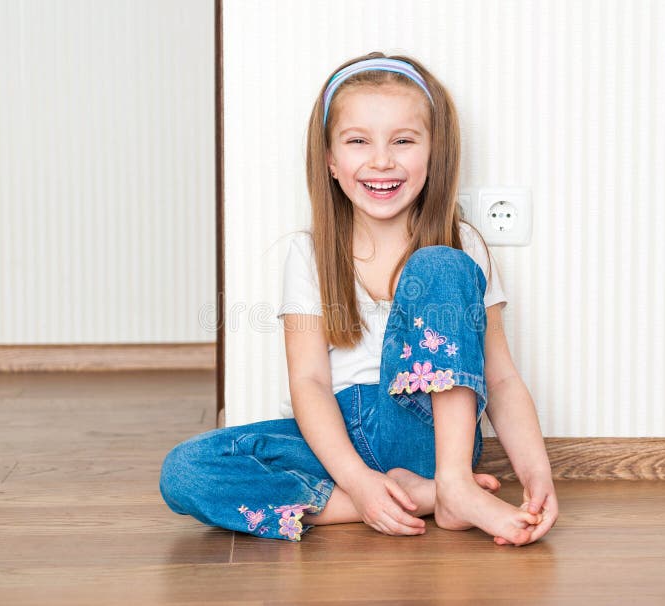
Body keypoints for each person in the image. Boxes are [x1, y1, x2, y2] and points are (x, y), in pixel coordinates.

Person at [159, 52, 559, 546]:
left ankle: (451, 481)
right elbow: (308, 382)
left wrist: (538, 472)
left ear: (434, 153)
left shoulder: (462, 246)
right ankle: (418, 498)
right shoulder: (308, 253)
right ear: (330, 160)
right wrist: (355, 479)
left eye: (404, 141)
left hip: (429, 429)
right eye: (358, 142)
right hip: (336, 439)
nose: (381, 160)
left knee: (440, 263)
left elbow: (499, 378)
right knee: (187, 471)